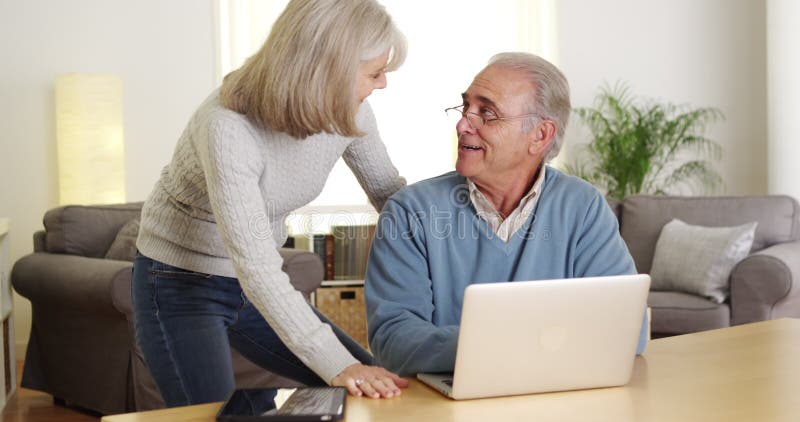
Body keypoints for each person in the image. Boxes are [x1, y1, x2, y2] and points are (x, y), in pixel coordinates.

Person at [132, 0, 409, 406]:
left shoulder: (353, 113)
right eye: (374, 73)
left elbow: (390, 195)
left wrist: (456, 242)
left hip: (252, 283)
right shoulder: (227, 127)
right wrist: (338, 366)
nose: (383, 83)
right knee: (213, 413)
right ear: (328, 70)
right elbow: (258, 266)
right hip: (179, 280)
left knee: (371, 389)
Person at [364, 52, 648, 376]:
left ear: (540, 135)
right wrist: (526, 343)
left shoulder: (582, 208)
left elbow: (627, 329)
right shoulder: (409, 212)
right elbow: (394, 341)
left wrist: (493, 344)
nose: (462, 124)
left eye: (487, 113)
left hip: (555, 398)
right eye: (465, 107)